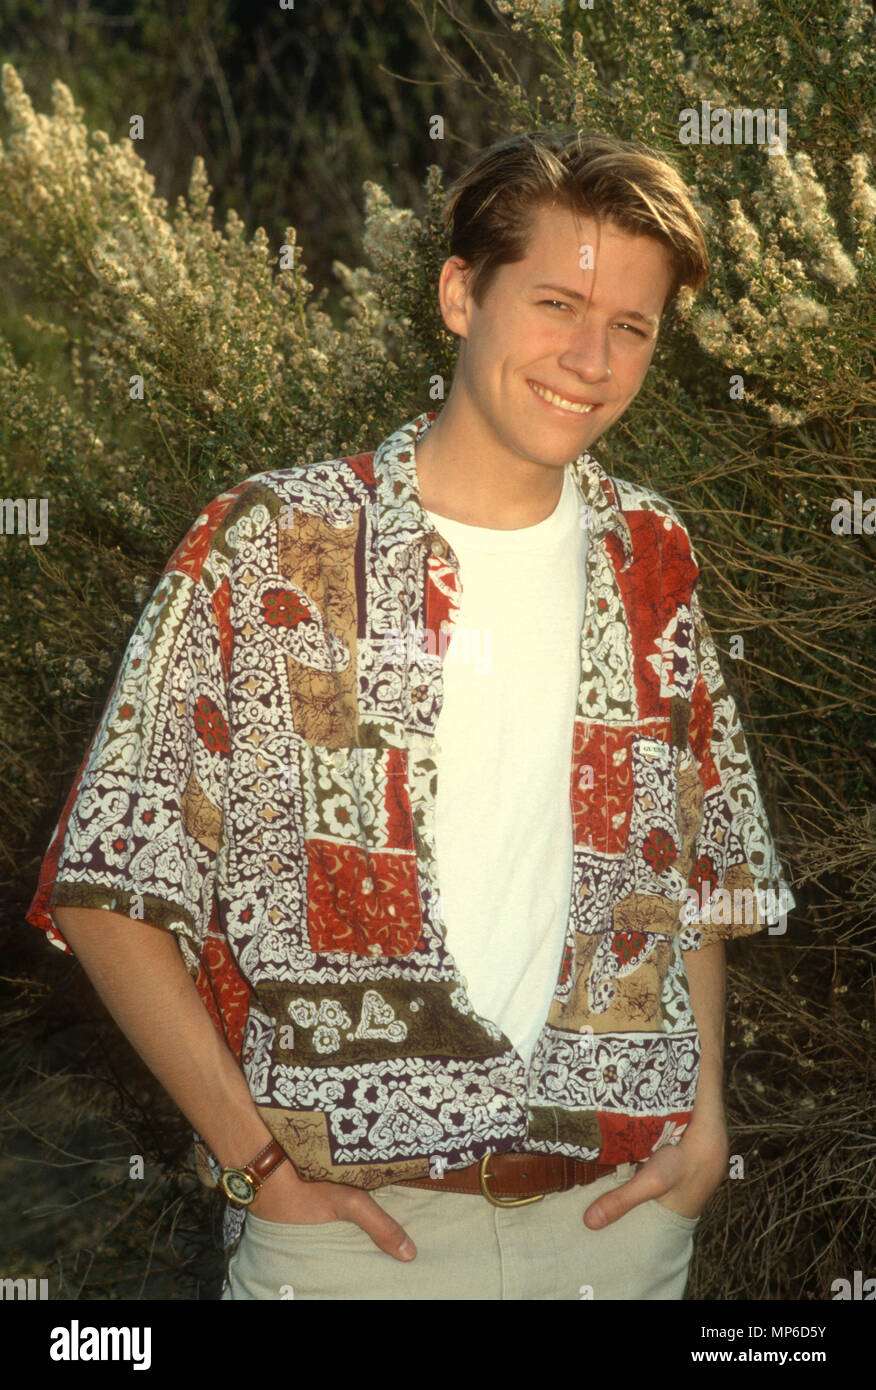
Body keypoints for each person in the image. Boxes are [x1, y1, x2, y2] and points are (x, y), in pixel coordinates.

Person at [27, 128, 793, 1301]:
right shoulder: (272, 547)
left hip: (617, 1227)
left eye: (631, 325)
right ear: (457, 293)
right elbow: (108, 885)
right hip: (348, 1243)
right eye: (555, 302)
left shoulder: (651, 553)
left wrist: (706, 1122)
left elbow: (692, 860)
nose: (590, 357)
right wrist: (259, 1165)